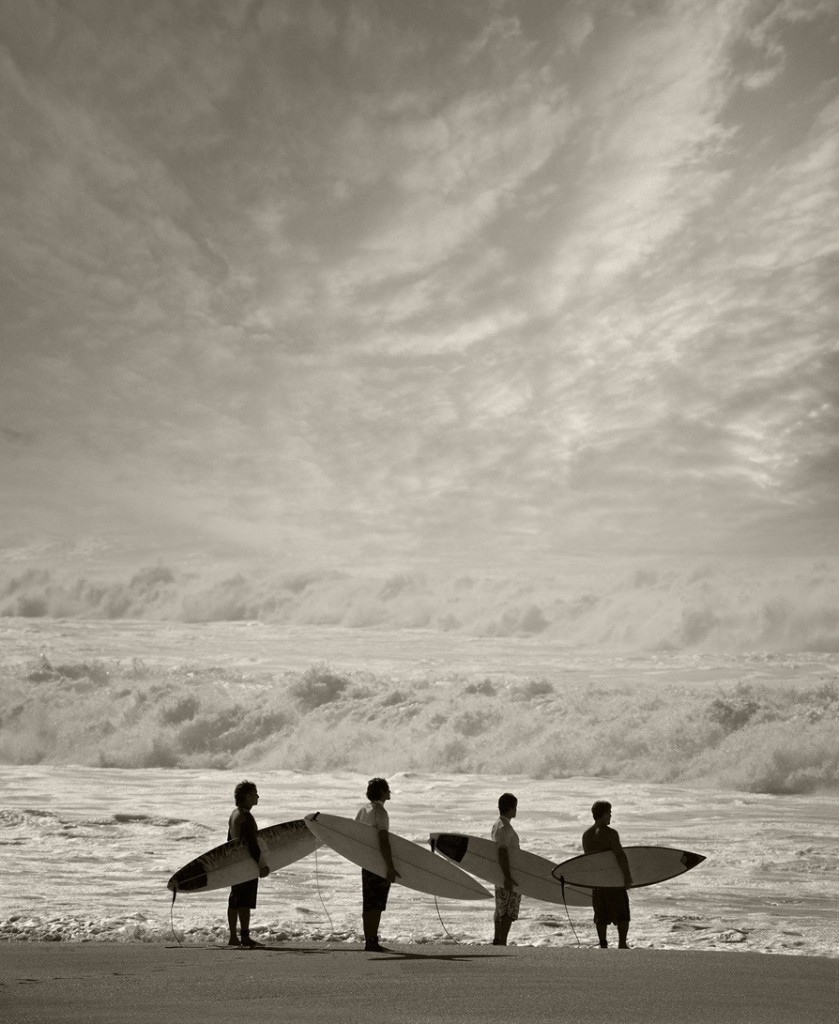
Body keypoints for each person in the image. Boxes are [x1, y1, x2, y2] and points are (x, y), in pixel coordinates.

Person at [355, 777, 399, 952]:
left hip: (366, 862)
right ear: (382, 792)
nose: (390, 792)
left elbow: (356, 836)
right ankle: (372, 941)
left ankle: (370, 940)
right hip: (378, 864)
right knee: (376, 905)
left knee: (368, 903)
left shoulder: (363, 810)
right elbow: (383, 841)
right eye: (387, 789)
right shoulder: (380, 812)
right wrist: (390, 866)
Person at [582, 800, 633, 948]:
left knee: (600, 915)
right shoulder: (610, 833)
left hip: (597, 882)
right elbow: (620, 856)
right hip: (613, 880)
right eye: (609, 813)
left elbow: (589, 860)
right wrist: (627, 876)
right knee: (623, 914)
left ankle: (603, 943)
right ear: (603, 814)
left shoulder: (586, 835)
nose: (610, 815)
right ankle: (622, 944)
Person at [226, 780, 269, 948]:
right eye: (255, 793)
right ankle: (242, 937)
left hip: (235, 862)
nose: (258, 796)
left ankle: (235, 937)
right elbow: (251, 844)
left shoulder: (234, 814)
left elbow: (229, 841)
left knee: (236, 899)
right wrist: (261, 865)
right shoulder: (246, 817)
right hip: (246, 863)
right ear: (246, 796)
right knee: (243, 901)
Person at [491, 792, 521, 945]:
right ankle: (502, 941)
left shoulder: (497, 824)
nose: (516, 810)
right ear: (509, 808)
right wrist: (508, 877)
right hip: (507, 874)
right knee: (507, 910)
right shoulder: (505, 827)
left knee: (500, 908)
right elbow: (502, 852)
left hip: (500, 873)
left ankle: (498, 940)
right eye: (515, 807)